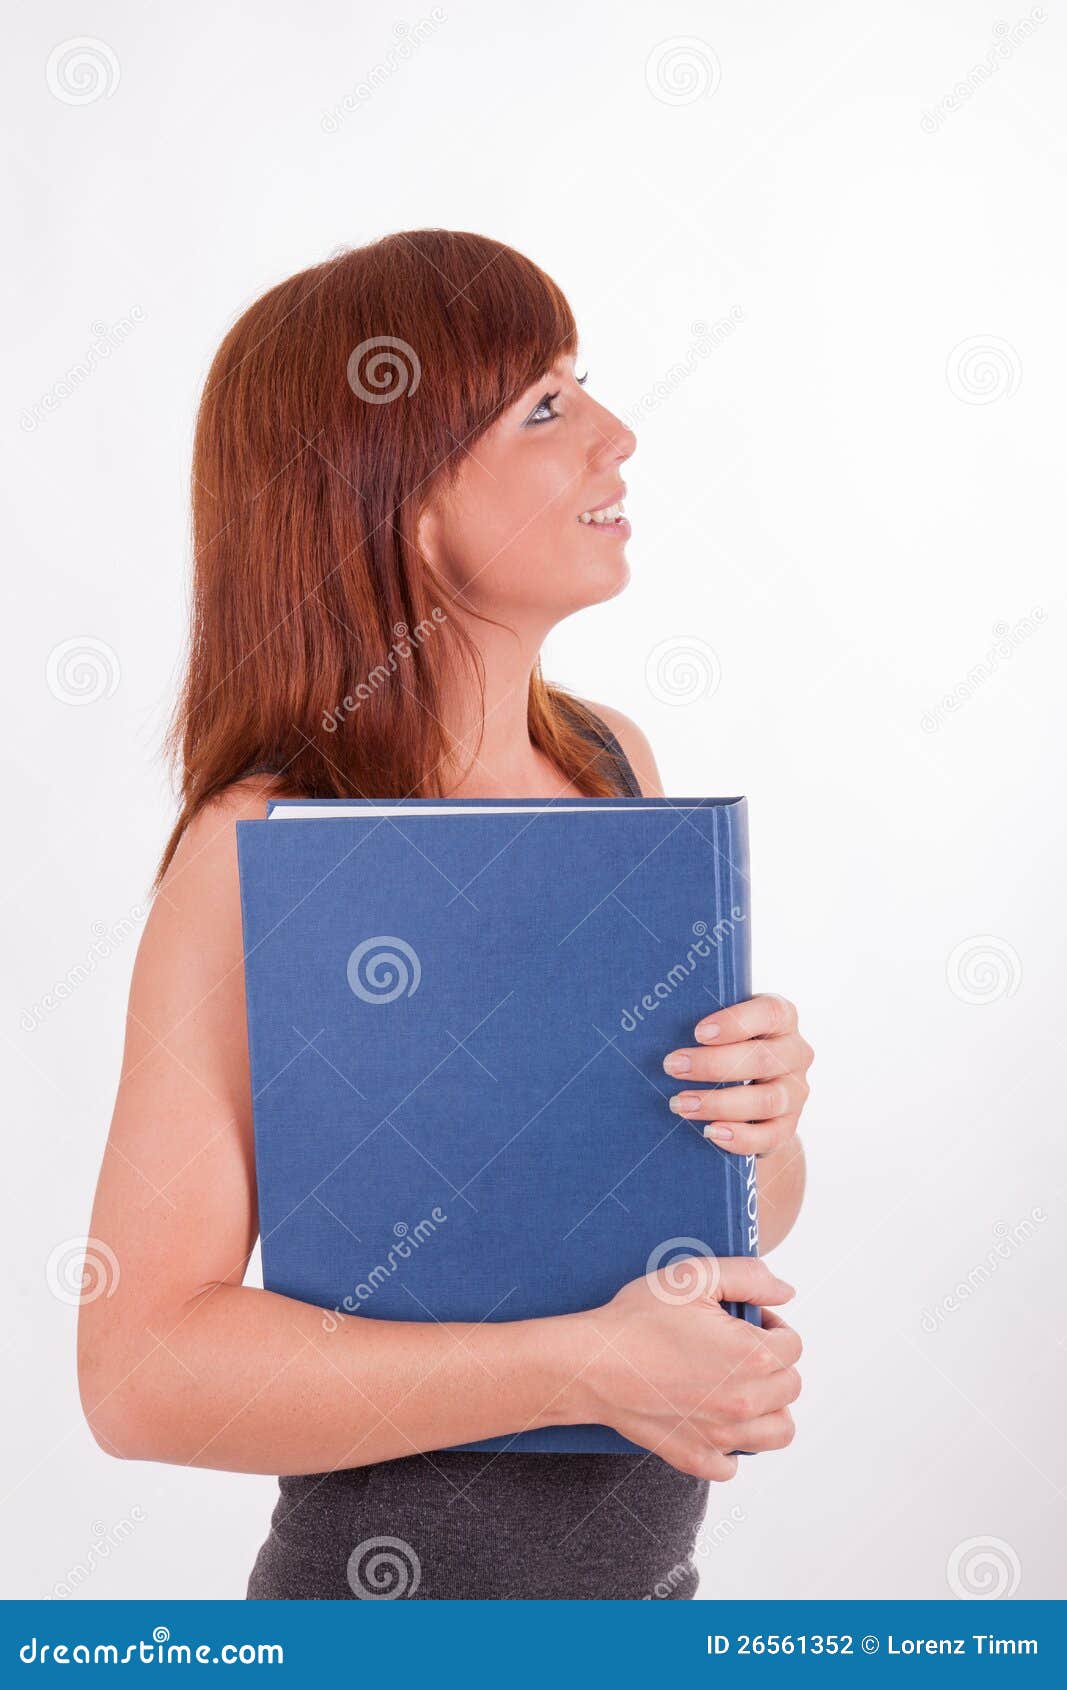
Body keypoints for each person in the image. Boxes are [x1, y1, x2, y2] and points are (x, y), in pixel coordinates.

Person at [77, 230, 812, 1601]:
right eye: (546, 407)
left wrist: (764, 1123)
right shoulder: (254, 848)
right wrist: (584, 1363)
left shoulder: (613, 765)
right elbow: (138, 1371)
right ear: (403, 505)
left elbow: (722, 1218)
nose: (618, 433)